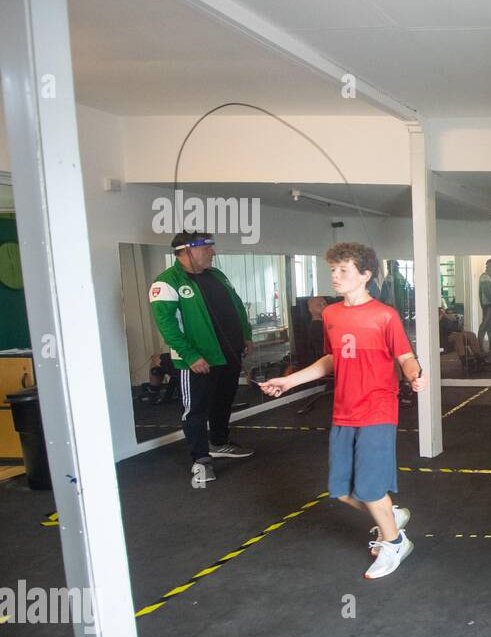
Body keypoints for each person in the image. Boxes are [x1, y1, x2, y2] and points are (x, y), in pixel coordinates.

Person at [258, 242, 426, 580]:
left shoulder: (384, 315)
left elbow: (405, 357)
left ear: (365, 275)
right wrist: (289, 383)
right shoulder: (332, 315)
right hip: (344, 409)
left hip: (378, 407)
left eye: (343, 270)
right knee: (341, 490)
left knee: (370, 487)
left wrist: (414, 376)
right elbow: (331, 359)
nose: (334, 276)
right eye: (332, 270)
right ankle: (390, 513)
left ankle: (394, 541)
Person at [149, 232, 255, 484]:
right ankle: (201, 460)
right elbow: (168, 326)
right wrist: (190, 355)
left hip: (228, 354)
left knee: (223, 401)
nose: (213, 253)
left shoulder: (217, 276)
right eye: (207, 249)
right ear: (186, 251)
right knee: (194, 410)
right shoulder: (166, 283)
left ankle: (219, 442)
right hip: (196, 361)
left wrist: (246, 336)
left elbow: (237, 306)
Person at [439, 305, 485, 370]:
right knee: (458, 336)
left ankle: (478, 357)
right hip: (443, 337)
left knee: (471, 335)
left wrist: (444, 314)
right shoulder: (435, 319)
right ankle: (464, 361)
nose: (442, 310)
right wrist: (440, 316)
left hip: (454, 333)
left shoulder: (445, 315)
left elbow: (453, 319)